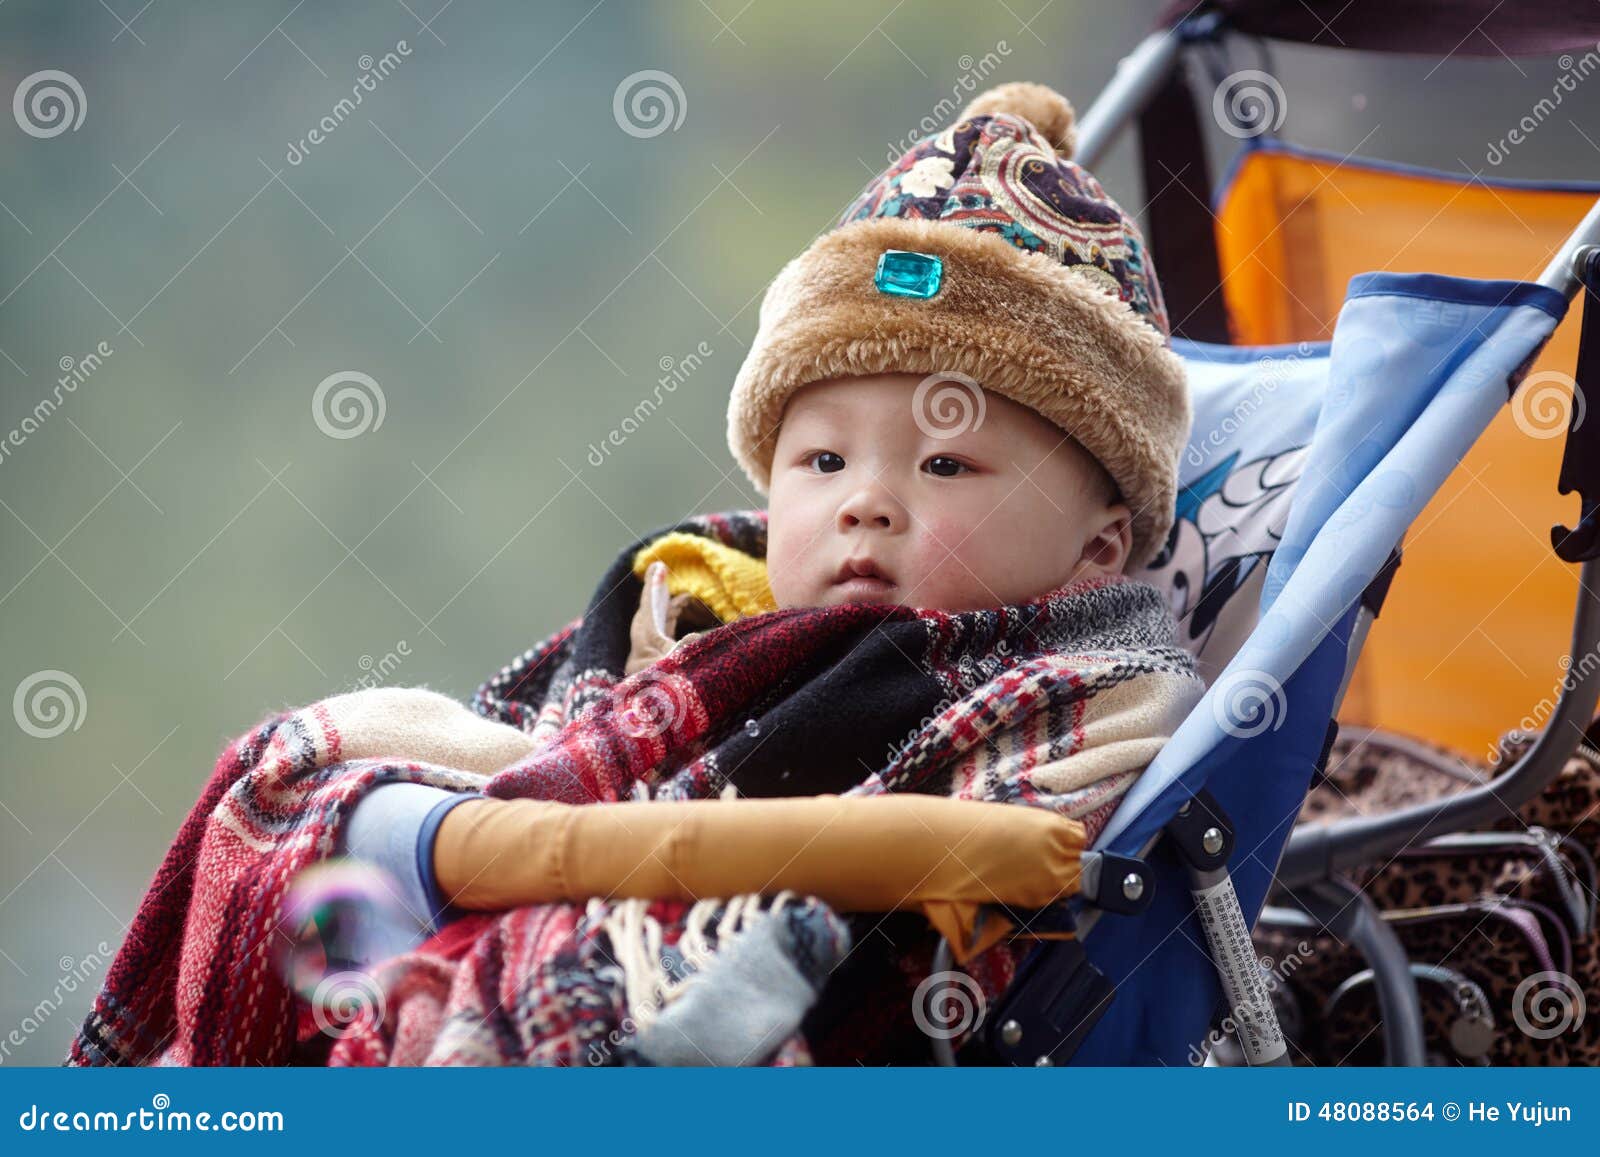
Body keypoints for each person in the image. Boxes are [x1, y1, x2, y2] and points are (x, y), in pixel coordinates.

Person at [340, 80, 1202, 947]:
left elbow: (1004, 839)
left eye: (944, 463)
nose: (864, 502)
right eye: (824, 462)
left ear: (1097, 549)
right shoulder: (685, 618)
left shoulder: (1088, 690)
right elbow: (550, 751)